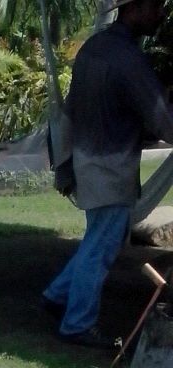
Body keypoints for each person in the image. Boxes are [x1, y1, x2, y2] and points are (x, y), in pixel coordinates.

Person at [43, 0, 173, 348]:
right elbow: (160, 117)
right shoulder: (128, 60)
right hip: (111, 162)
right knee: (101, 247)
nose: (161, 13)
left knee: (101, 238)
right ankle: (77, 325)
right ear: (134, 9)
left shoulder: (94, 48)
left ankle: (57, 295)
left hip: (88, 157)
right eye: (156, 6)